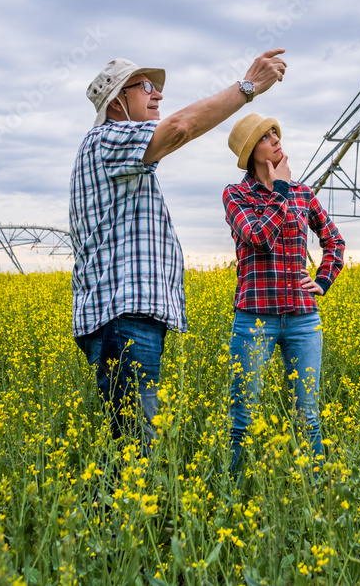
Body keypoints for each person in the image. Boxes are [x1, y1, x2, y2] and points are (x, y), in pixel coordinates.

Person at [70, 49, 287, 456]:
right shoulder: (107, 140)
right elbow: (180, 127)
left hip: (127, 319)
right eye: (147, 87)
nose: (158, 96)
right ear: (117, 100)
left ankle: (125, 515)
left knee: (132, 447)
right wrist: (248, 88)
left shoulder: (118, 159)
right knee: (136, 450)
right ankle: (124, 519)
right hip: (123, 318)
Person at [222, 113, 345, 476]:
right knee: (243, 415)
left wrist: (322, 281)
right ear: (251, 151)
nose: (276, 139)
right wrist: (280, 191)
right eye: (266, 136)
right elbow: (258, 237)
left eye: (276, 133)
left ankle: (315, 496)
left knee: (308, 417)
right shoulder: (235, 195)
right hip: (254, 318)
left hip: (303, 319)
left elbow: (334, 240)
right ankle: (234, 493)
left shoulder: (304, 194)